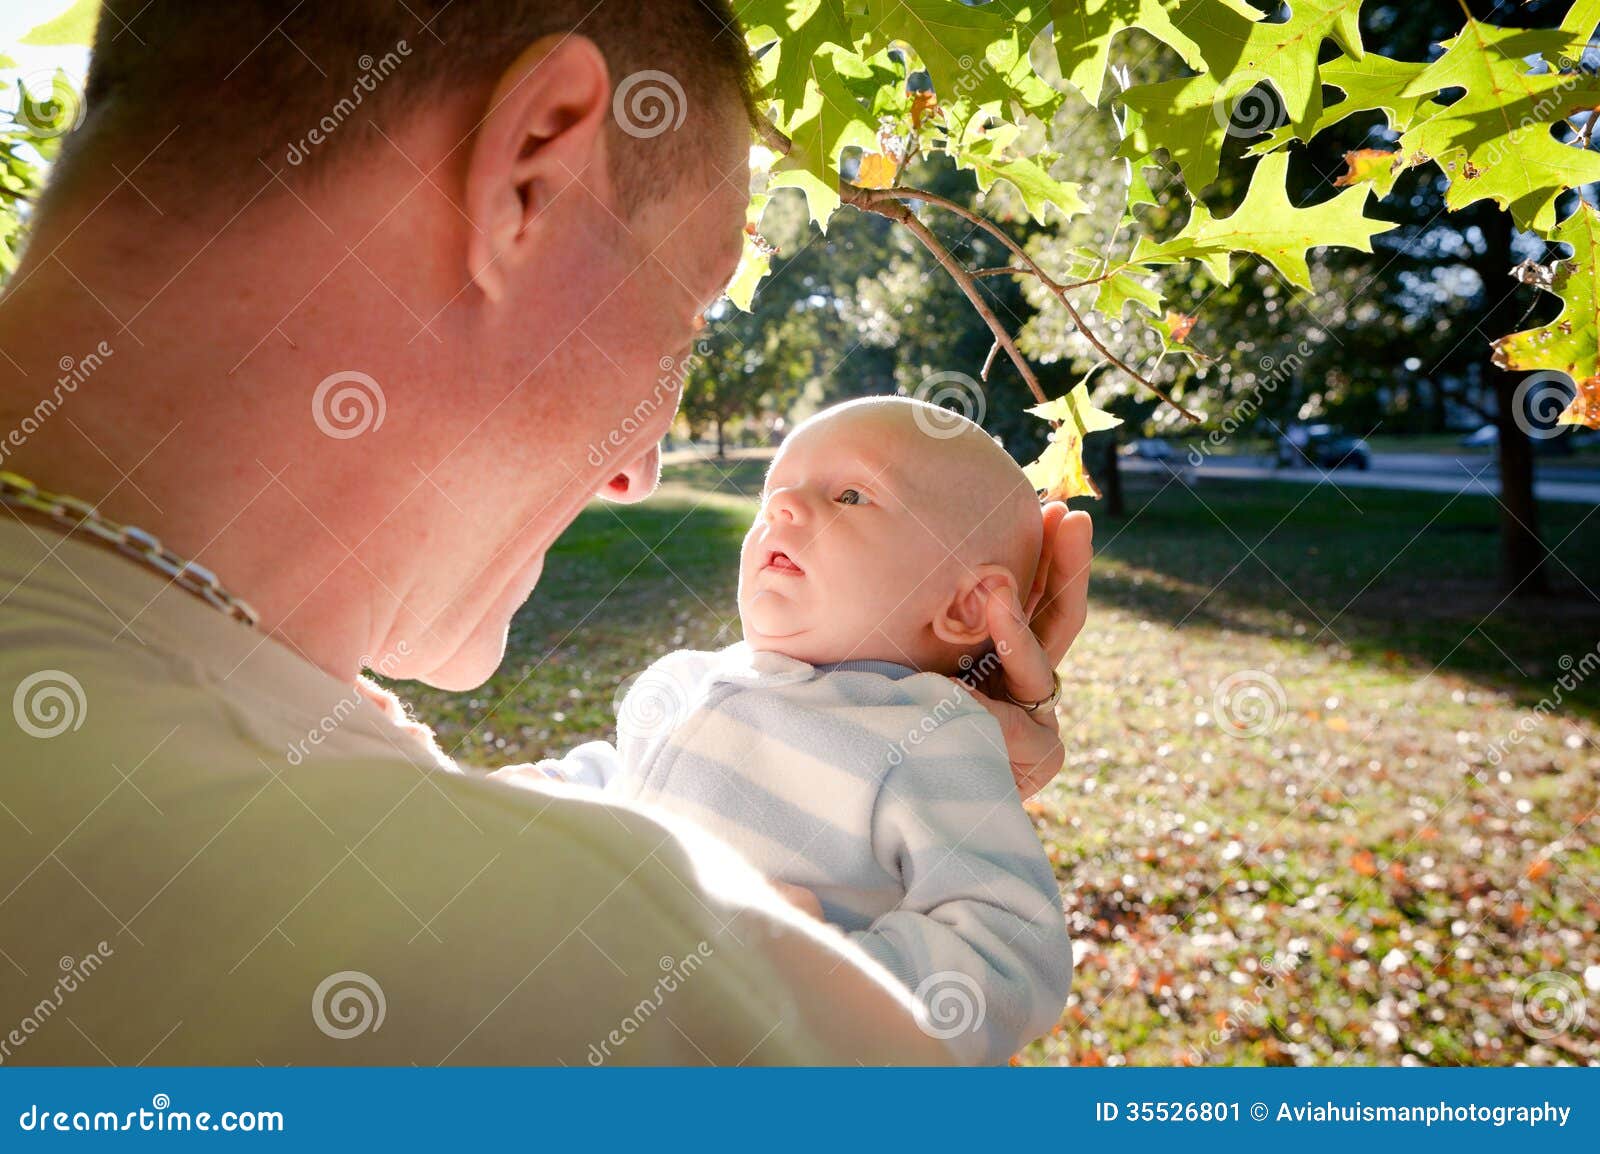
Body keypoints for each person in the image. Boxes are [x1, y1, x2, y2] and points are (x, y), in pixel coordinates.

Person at [0, 1, 1091, 1064]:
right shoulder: (593, 975)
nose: (638, 468)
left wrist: (875, 753)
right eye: (685, 312)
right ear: (531, 166)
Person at [508, 398, 1074, 1064]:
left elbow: (1010, 946)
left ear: (964, 605)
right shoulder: (693, 676)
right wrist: (555, 788)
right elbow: (634, 782)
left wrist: (820, 979)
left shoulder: (928, 735)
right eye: (771, 496)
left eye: (850, 494)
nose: (782, 508)